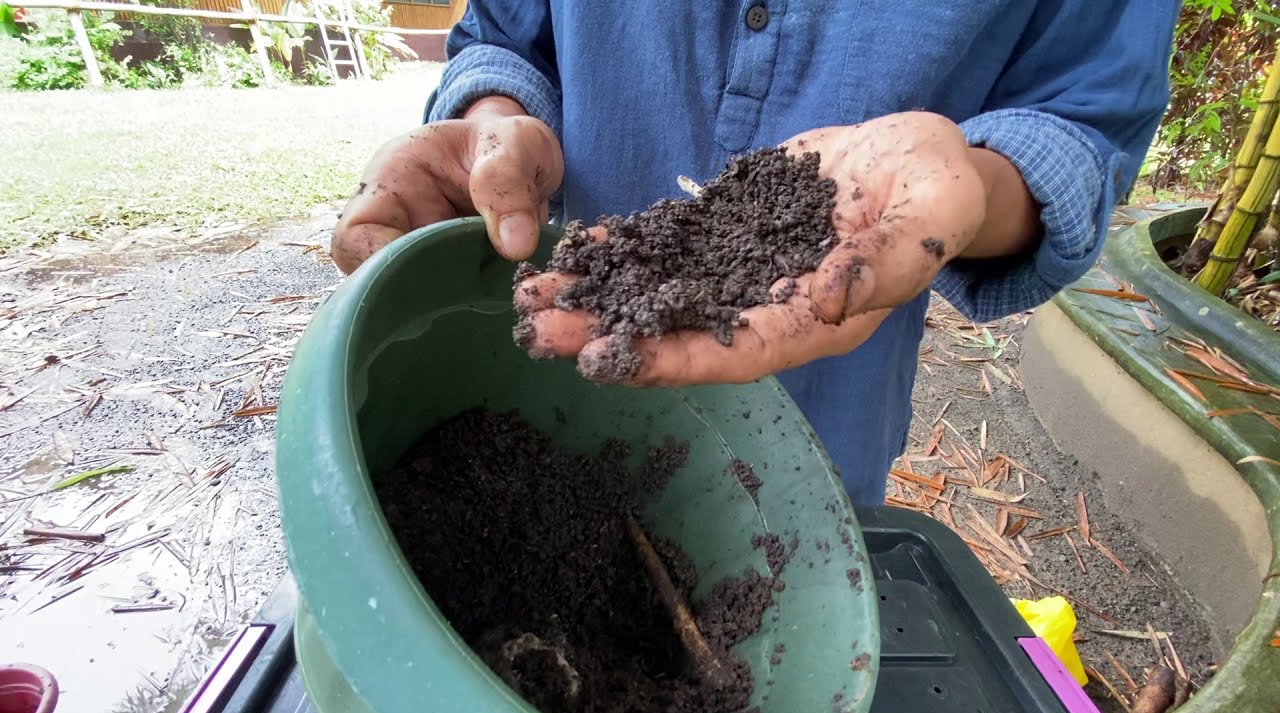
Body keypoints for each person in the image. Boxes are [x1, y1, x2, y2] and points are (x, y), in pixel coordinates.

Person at [330, 2, 1179, 506]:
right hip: (564, 338)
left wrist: (972, 187)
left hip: (822, 413)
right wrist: (492, 121)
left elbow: (1085, 119)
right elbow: (504, 33)